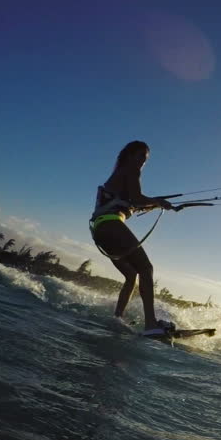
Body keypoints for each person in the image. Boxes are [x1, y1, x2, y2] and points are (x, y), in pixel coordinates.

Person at [90, 141, 175, 336]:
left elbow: (133, 202)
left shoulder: (119, 174)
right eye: (140, 156)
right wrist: (158, 201)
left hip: (100, 230)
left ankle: (117, 318)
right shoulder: (131, 169)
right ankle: (150, 324)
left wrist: (156, 204)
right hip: (111, 224)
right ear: (129, 155)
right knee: (146, 268)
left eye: (145, 159)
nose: (142, 162)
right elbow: (137, 198)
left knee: (131, 275)